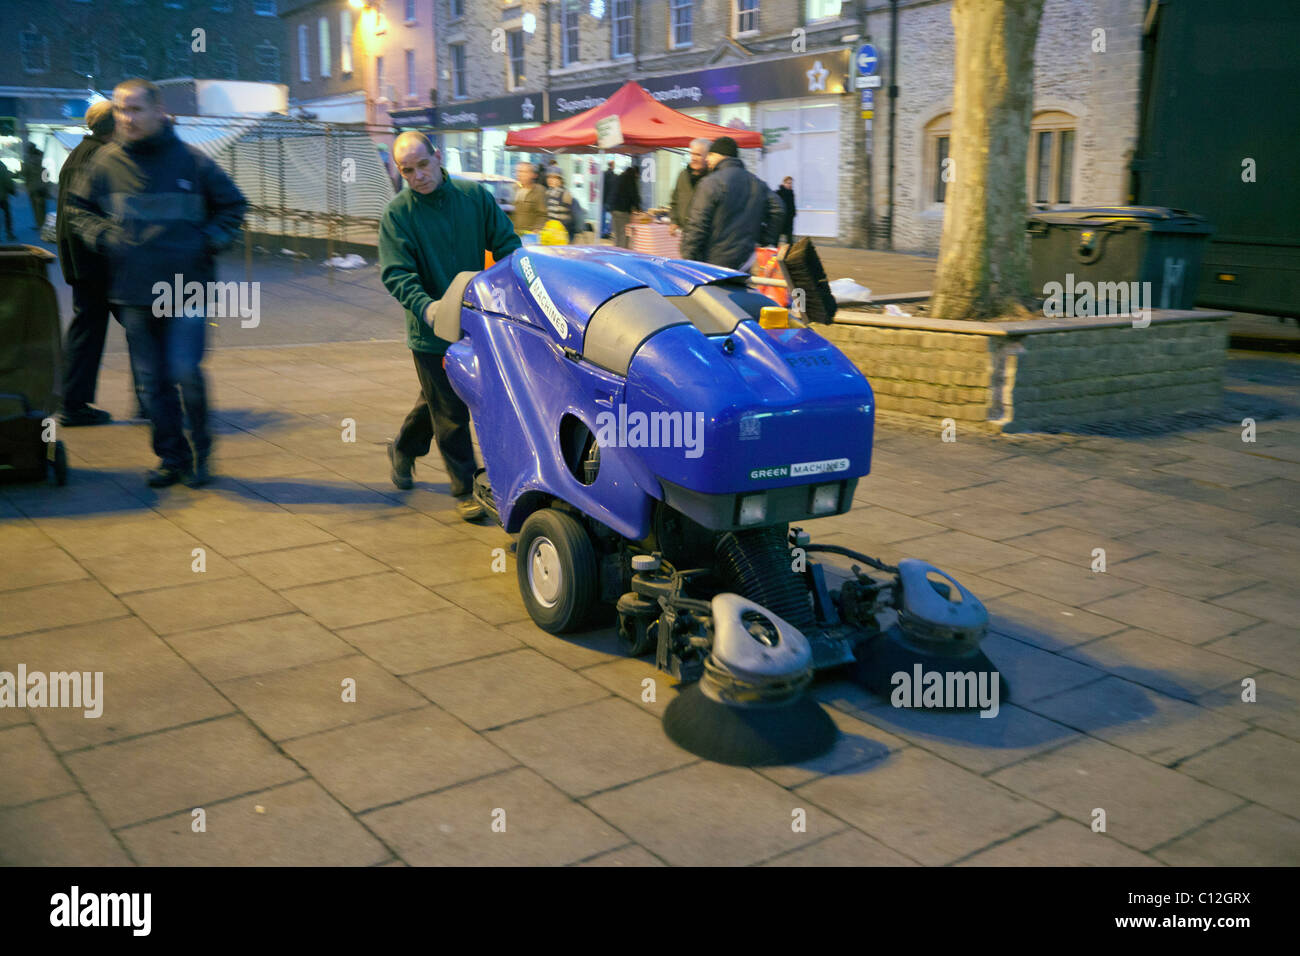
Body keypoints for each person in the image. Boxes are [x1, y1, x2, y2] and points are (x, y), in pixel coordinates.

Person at [66, 78, 247, 488]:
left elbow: (234, 205)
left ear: (159, 110)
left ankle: (201, 449)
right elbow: (77, 209)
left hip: (188, 288)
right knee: (152, 384)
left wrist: (209, 240)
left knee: (184, 370)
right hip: (133, 291)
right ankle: (171, 458)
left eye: (135, 109)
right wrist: (103, 236)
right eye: (120, 109)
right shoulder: (104, 164)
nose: (126, 117)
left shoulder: (193, 162)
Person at [379, 131, 521, 521]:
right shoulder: (398, 215)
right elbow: (396, 273)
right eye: (407, 171)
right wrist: (425, 308)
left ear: (437, 157)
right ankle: (465, 487)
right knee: (451, 411)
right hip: (429, 332)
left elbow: (508, 244)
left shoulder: (474, 198)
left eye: (423, 165)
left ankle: (403, 448)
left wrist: (511, 287)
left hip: (474, 322)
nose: (418, 176)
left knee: (439, 399)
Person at [55, 101, 145, 426]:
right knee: (140, 325)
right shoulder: (99, 157)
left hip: (85, 260)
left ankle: (73, 402)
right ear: (114, 126)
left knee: (88, 330)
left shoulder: (79, 154)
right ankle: (147, 399)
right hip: (100, 261)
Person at [680, 136, 784, 271]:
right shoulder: (756, 183)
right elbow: (779, 209)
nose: (707, 159)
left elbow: (697, 224)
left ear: (719, 155)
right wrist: (764, 239)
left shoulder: (711, 183)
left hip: (714, 263)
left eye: (710, 155)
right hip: (746, 261)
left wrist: (688, 261)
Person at [668, 138, 710, 234]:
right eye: (692, 154)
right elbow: (674, 201)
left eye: (698, 155)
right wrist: (674, 221)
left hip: (705, 234)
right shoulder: (683, 175)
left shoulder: (713, 178)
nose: (693, 158)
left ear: (707, 157)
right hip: (685, 232)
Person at [610, 159, 642, 249]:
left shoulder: (620, 177)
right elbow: (634, 195)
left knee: (616, 234)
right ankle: (622, 253)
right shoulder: (630, 179)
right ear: (636, 173)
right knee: (624, 233)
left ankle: (616, 252)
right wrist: (638, 208)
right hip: (623, 210)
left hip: (613, 209)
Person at [510, 162, 546, 235]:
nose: (520, 174)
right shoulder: (511, 188)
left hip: (529, 235)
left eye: (524, 172)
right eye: (519, 171)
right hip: (512, 235)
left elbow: (542, 215)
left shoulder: (539, 190)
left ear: (532, 175)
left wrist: (537, 229)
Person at [544, 167, 579, 239]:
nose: (550, 180)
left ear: (561, 180)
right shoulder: (548, 193)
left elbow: (573, 216)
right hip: (551, 232)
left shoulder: (565, 194)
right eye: (549, 177)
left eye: (554, 177)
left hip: (563, 234)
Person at [21, 142, 48, 237]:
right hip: (42, 187)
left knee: (35, 207)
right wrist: (45, 184)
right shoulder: (41, 159)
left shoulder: (27, 161)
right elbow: (45, 175)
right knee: (42, 207)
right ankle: (43, 224)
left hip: (32, 188)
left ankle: (39, 225)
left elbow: (24, 174)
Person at [776, 175, 796, 246]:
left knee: (789, 241)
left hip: (789, 220)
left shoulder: (791, 193)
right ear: (783, 183)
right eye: (788, 183)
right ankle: (774, 256)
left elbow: (792, 205)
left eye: (790, 183)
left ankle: (789, 255)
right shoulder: (778, 192)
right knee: (776, 239)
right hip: (781, 219)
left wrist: (793, 213)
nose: (789, 185)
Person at [600, 160, 618, 238]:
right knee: (610, 217)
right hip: (609, 199)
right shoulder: (613, 176)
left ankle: (602, 232)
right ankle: (606, 232)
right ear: (612, 166)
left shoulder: (603, 174)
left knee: (603, 217)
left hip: (603, 198)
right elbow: (612, 189)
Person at [0, 160, 17, 241]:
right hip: (2, 196)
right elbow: (7, 180)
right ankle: (9, 233)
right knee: (7, 214)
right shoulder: (2, 166)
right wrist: (12, 190)